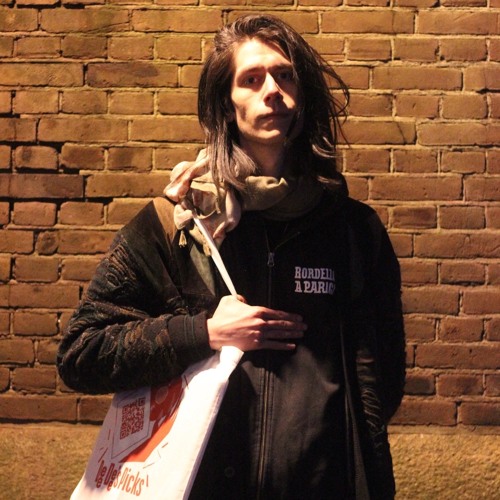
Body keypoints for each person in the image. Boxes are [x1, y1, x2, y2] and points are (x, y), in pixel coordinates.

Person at [57, 14, 405, 500]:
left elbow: (381, 378)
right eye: (251, 79)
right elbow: (81, 353)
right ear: (226, 103)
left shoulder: (351, 229)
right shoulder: (178, 223)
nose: (273, 90)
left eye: (285, 75)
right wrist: (202, 333)